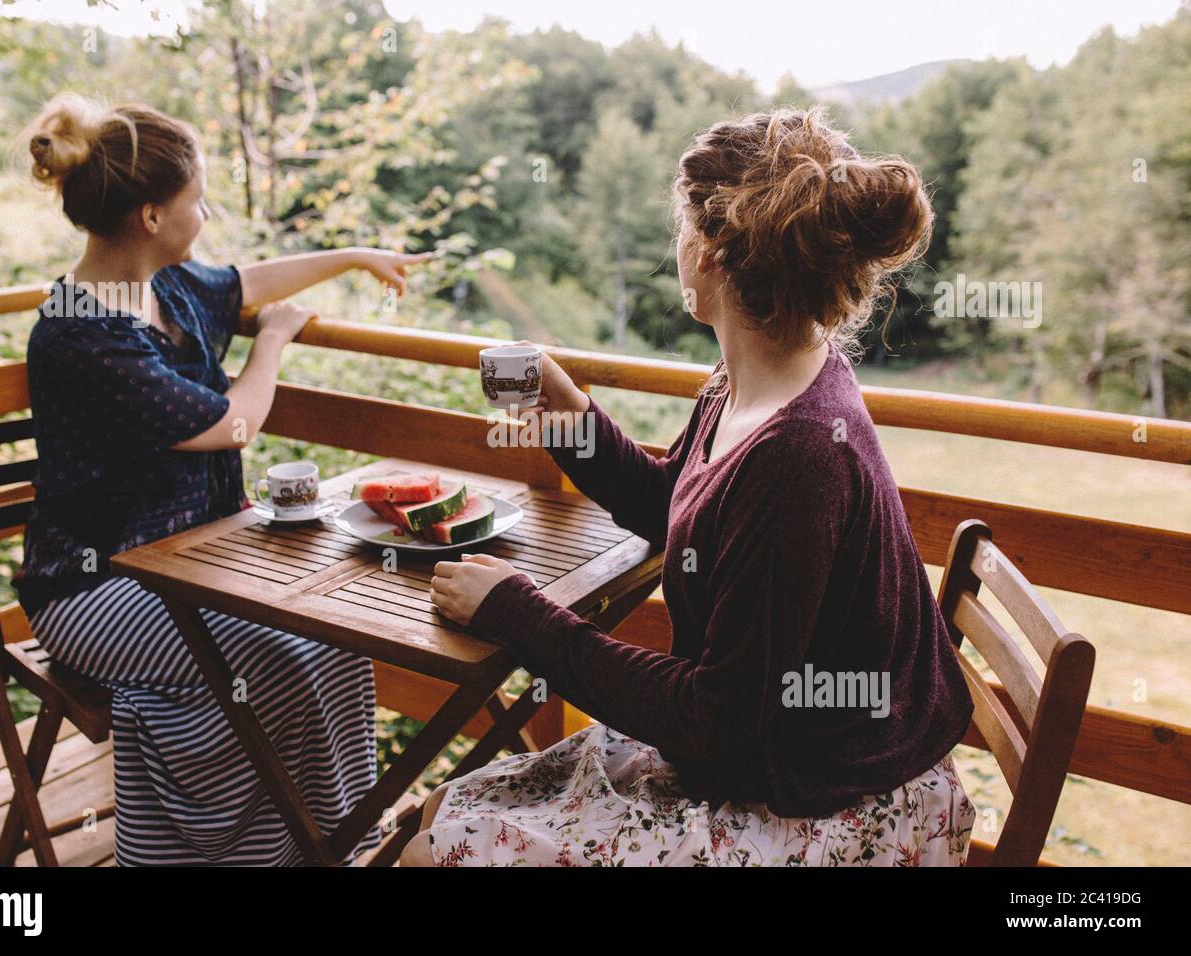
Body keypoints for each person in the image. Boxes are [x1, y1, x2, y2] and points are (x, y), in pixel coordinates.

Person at [405, 106, 977, 867]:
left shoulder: (800, 455)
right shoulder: (762, 378)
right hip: (772, 755)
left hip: (828, 801)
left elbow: (717, 718)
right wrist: (566, 412)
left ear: (709, 254)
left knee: (432, 850)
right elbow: (674, 508)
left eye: (680, 227)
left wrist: (521, 616)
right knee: (442, 809)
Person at [13, 92, 429, 865]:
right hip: (91, 588)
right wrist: (269, 344)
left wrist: (353, 256)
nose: (203, 215)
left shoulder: (165, 286)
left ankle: (335, 841)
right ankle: (258, 852)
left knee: (337, 643)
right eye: (196, 201)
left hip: (197, 560)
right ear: (150, 216)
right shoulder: (82, 334)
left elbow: (244, 282)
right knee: (267, 659)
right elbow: (231, 424)